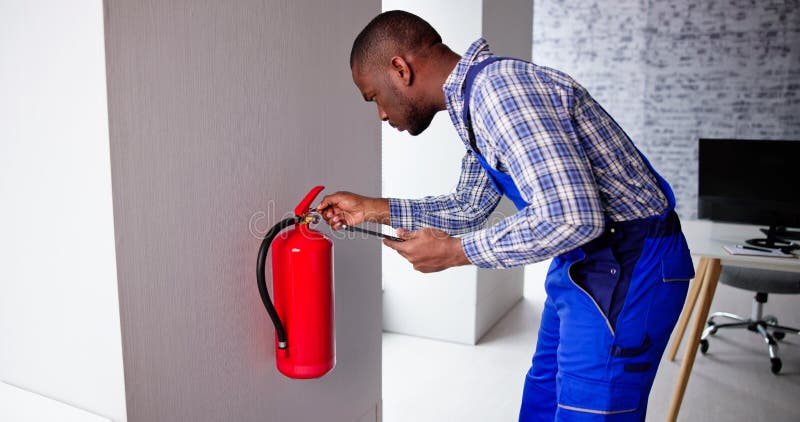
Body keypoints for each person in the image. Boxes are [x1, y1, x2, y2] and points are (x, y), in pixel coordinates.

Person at [316, 10, 695, 421]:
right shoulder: (475, 102)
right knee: (543, 402)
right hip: (583, 264)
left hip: (630, 266)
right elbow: (468, 205)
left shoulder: (500, 93)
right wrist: (373, 209)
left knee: (585, 411)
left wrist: (455, 253)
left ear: (400, 69)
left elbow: (572, 218)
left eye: (374, 97)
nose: (382, 115)